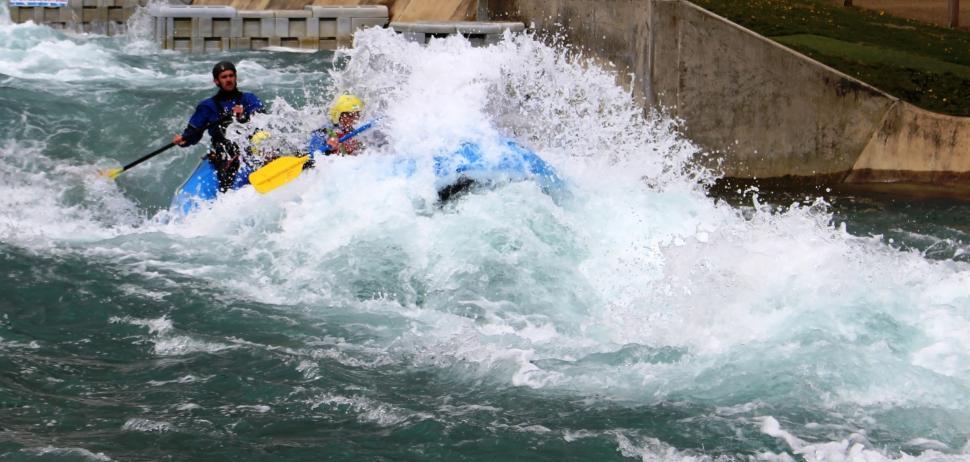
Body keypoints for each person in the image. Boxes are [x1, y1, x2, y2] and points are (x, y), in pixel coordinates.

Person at [173, 61, 264, 192]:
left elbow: (263, 119)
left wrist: (244, 116)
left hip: (250, 149)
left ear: (235, 77)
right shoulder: (207, 106)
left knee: (262, 138)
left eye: (231, 75)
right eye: (224, 77)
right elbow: (193, 134)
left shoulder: (249, 99)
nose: (228, 79)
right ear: (216, 81)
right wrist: (183, 140)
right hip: (226, 155)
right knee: (229, 169)